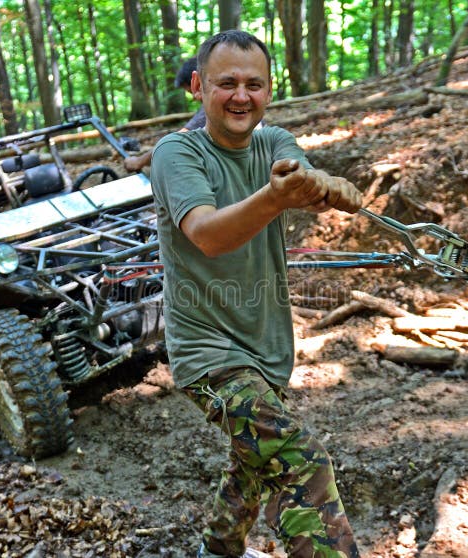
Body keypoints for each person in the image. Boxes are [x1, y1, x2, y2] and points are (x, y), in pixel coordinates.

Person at [150, 30, 362, 558]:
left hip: (266, 349)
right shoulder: (177, 154)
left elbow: (297, 171)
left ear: (269, 91)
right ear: (199, 87)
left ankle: (216, 550)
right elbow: (208, 234)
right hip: (211, 356)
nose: (240, 96)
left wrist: (322, 185)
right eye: (226, 83)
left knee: (252, 463)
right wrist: (275, 197)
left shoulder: (273, 141)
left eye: (253, 84)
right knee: (303, 462)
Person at [123, 57, 207, 172]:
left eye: (192, 91)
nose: (193, 97)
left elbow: (176, 140)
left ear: (197, 81)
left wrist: (139, 161)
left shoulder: (210, 109)